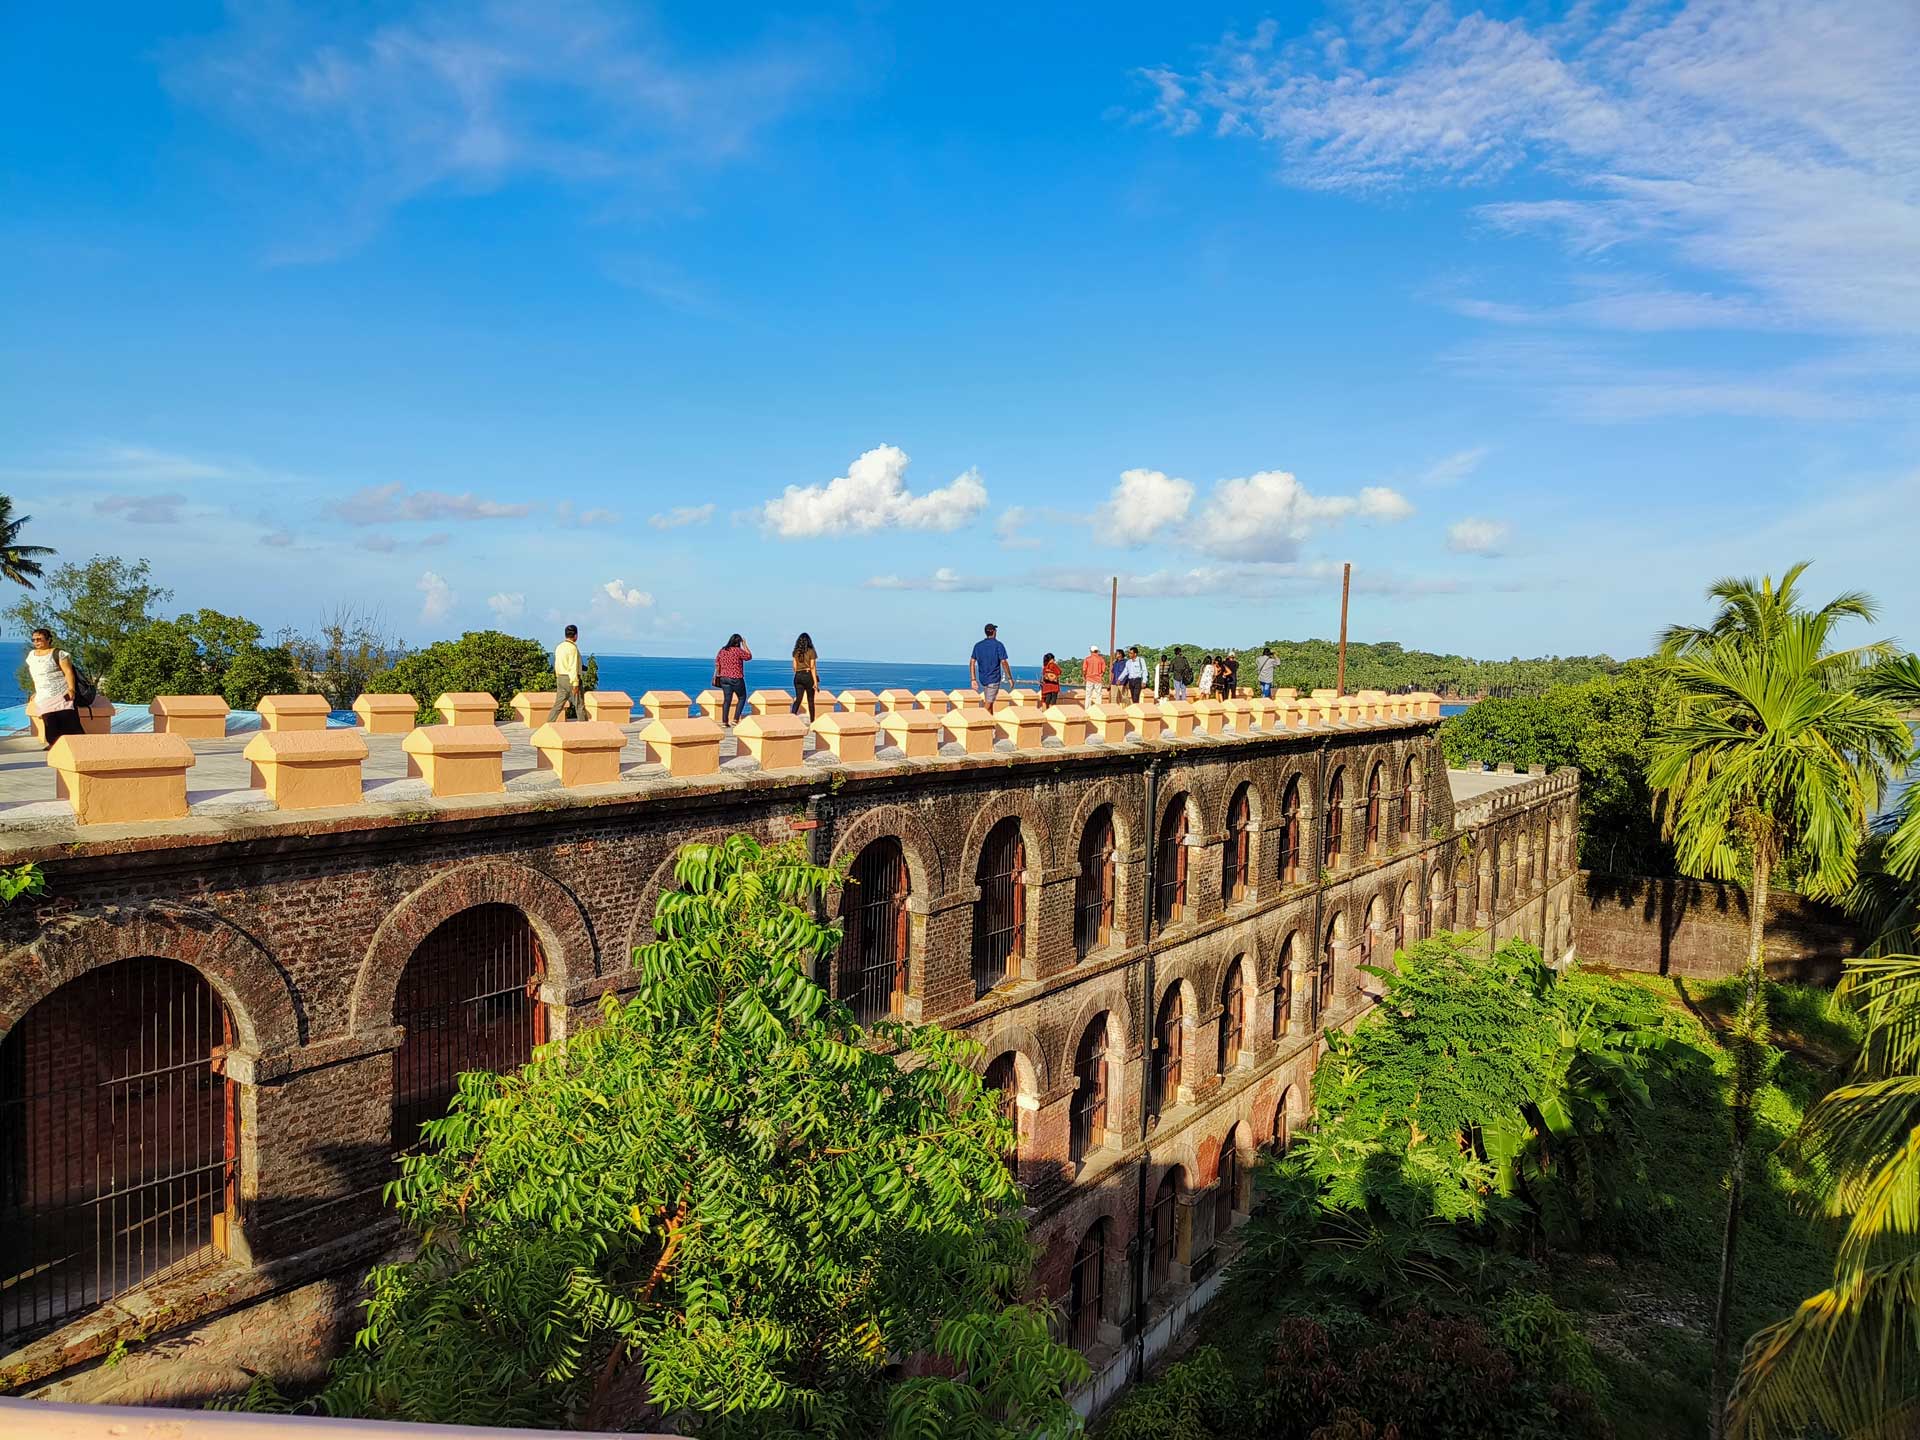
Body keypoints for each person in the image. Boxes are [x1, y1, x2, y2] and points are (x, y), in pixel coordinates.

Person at [25, 628, 83, 749]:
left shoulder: (59, 654)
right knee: (49, 722)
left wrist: (71, 689)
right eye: (34, 639)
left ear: (49, 639)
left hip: (61, 693)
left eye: (39, 639)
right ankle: (55, 745)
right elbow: (37, 675)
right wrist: (36, 692)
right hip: (43, 696)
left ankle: (75, 746)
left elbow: (68, 672)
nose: (36, 642)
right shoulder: (31, 655)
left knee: (68, 721)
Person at [546, 624, 586, 723]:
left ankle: (548, 724)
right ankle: (585, 728)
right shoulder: (573, 648)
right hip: (570, 678)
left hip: (560, 677)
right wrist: (575, 683)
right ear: (576, 635)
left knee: (558, 705)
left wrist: (558, 676)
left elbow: (557, 663)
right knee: (579, 705)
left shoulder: (559, 647)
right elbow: (573, 667)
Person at [714, 633, 752, 726]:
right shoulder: (738, 651)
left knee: (727, 700)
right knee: (742, 697)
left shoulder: (722, 650)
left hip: (724, 678)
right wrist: (745, 645)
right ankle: (735, 719)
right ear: (738, 643)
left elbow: (717, 662)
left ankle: (724, 721)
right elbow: (749, 657)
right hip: (736, 678)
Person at [970, 623, 1011, 710]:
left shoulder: (978, 646)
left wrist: (973, 679)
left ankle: (990, 722)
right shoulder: (998, 645)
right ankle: (980, 719)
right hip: (994, 679)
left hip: (983, 679)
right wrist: (1010, 678)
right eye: (995, 630)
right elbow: (1004, 662)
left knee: (990, 703)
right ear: (993, 632)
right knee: (988, 704)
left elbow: (972, 661)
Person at [790, 633, 820, 723]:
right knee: (810, 700)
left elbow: (794, 667)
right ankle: (812, 721)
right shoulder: (811, 651)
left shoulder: (795, 652)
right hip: (808, 675)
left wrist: (800, 673)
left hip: (798, 676)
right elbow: (812, 667)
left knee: (798, 699)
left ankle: (791, 717)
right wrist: (815, 682)